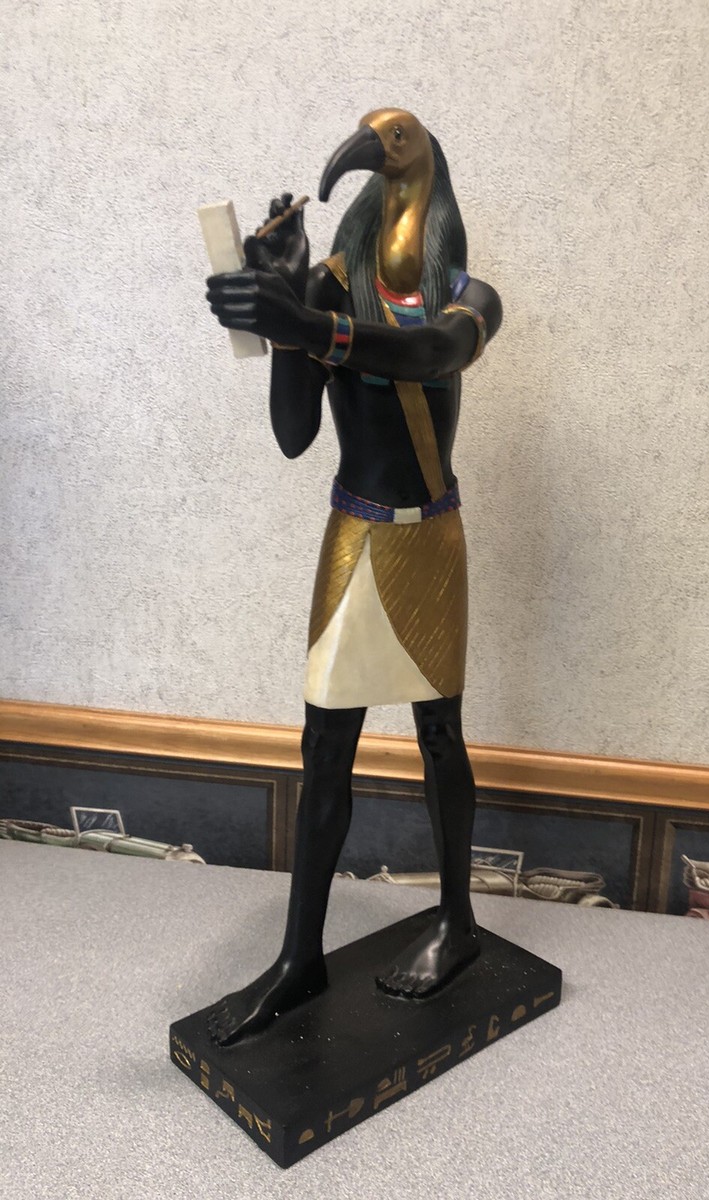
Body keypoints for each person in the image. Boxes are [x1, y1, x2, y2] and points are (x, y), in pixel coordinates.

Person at [205, 108, 502, 1046]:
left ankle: (457, 922)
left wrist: (309, 326)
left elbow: (435, 353)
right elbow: (295, 434)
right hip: (354, 534)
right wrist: (287, 293)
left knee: (440, 737)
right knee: (323, 747)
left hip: (430, 537)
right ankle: (301, 956)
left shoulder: (469, 294)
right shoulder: (331, 288)